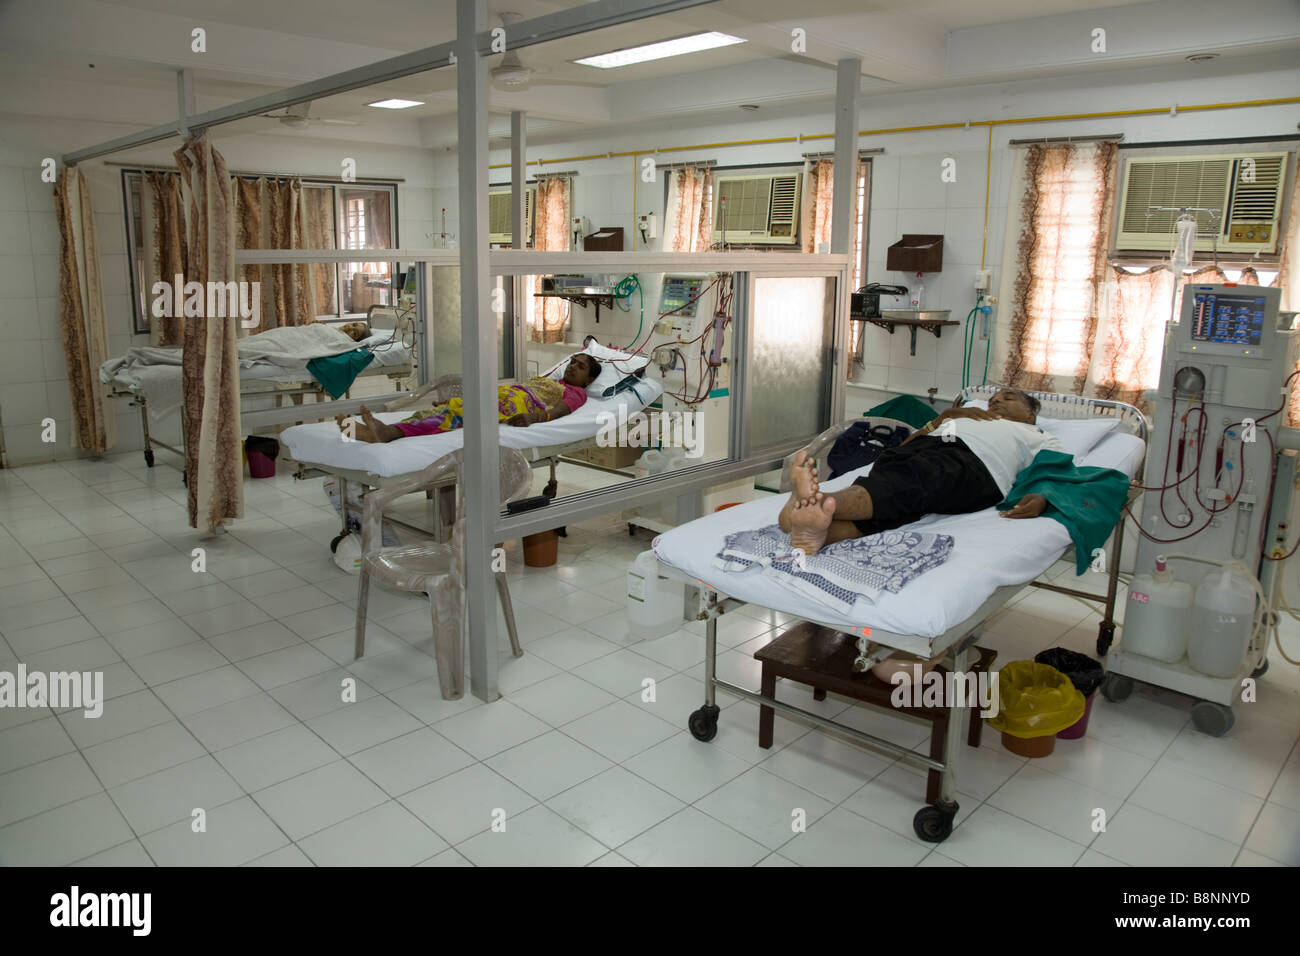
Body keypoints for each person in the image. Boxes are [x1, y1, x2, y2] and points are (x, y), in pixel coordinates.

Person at [778, 388, 1064, 556]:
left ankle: (817, 501)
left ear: (1029, 415)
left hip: (975, 463)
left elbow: (1054, 469)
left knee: (907, 484)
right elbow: (905, 446)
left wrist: (1040, 495)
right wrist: (943, 418)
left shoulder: (1037, 435)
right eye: (994, 398)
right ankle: (813, 532)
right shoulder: (965, 417)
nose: (996, 401)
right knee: (896, 493)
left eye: (1008, 397)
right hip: (925, 448)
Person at [339, 353, 601, 443]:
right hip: (502, 396)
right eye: (572, 362)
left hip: (516, 406)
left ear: (588, 380)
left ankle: (389, 433)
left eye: (580, 367)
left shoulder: (577, 393)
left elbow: (559, 412)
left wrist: (533, 418)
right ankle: (382, 430)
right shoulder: (554, 380)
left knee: (451, 418)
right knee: (441, 412)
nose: (572, 367)